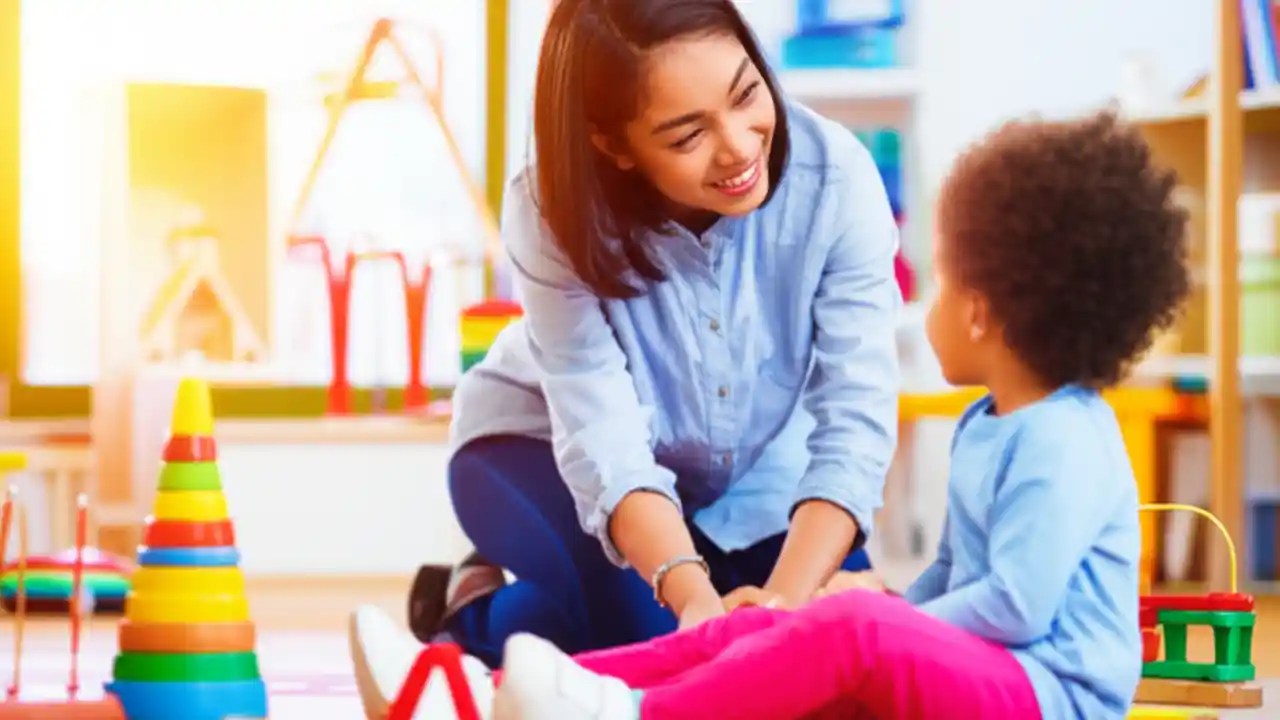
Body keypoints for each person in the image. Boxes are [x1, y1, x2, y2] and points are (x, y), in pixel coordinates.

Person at [350, 110, 1192, 719]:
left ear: (979, 313)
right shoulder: (991, 422)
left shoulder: (1065, 441)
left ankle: (630, 714)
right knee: (750, 623)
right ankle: (495, 693)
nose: (924, 305)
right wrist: (883, 597)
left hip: (1047, 697)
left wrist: (879, 612)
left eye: (939, 281)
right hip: (991, 673)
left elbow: (1015, 606)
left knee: (838, 626)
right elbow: (959, 582)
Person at [402, 0, 902, 669]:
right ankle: (468, 617)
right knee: (655, 641)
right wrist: (696, 602)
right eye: (687, 135)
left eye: (746, 92)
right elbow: (604, 438)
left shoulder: (836, 179)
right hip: (535, 447)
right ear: (613, 144)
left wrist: (782, 605)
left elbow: (856, 417)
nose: (739, 146)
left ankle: (567, 600)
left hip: (743, 483)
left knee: (837, 627)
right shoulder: (552, 210)